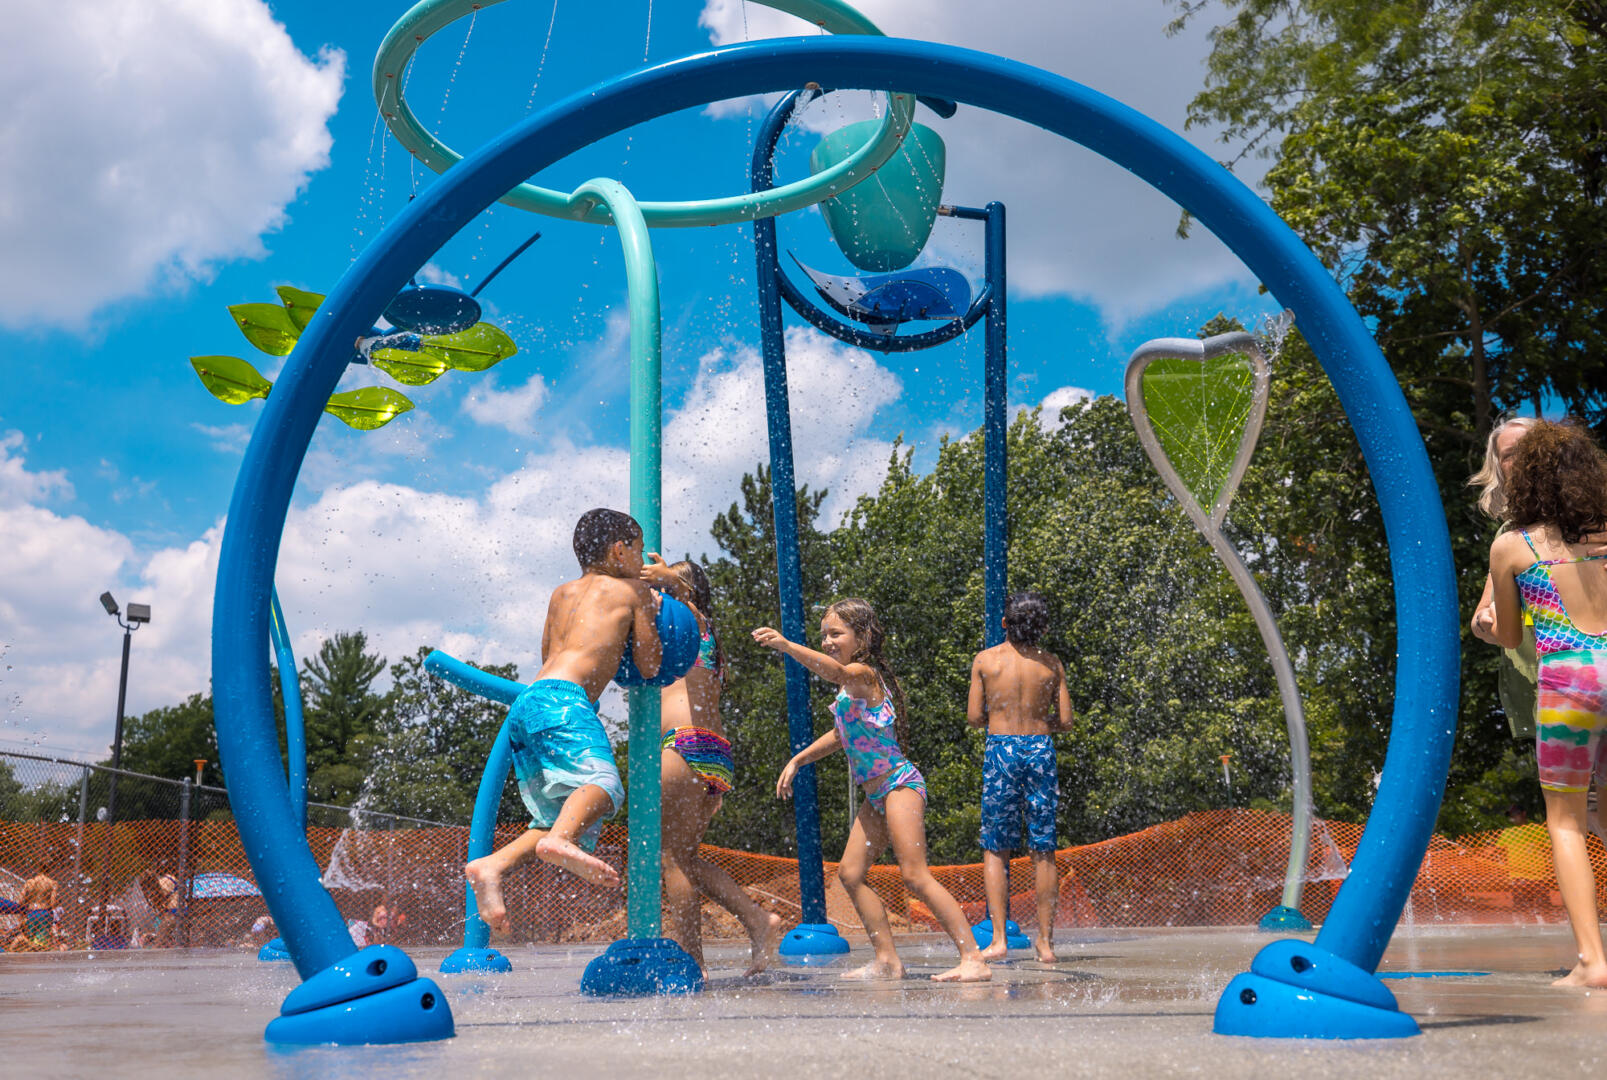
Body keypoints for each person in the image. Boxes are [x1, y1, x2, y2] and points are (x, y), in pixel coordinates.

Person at [757, 599, 991, 983]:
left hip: (900, 785)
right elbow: (840, 734)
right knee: (850, 874)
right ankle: (887, 960)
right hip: (876, 795)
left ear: (861, 636)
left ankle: (973, 958)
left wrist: (786, 645)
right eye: (824, 635)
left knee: (915, 876)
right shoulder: (851, 693)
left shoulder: (863, 675)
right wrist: (799, 759)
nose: (828, 641)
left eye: (836, 633)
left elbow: (834, 671)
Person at [465, 508, 663, 933]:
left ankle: (492, 866)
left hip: (530, 702)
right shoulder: (633, 592)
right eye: (640, 550)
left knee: (558, 819)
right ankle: (558, 842)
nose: (643, 560)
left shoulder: (561, 592)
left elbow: (546, 655)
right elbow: (649, 666)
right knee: (605, 786)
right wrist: (653, 614)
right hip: (567, 702)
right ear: (619, 549)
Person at [1486, 419, 1607, 987]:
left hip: (1569, 684)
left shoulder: (1514, 546)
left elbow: (1509, 636)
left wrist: (1487, 628)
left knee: (1565, 822)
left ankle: (1593, 961)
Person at [642, 555, 784, 976]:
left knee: (671, 860)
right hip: (713, 751)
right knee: (686, 858)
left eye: (669, 583)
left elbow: (684, 601)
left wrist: (671, 582)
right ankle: (758, 920)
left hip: (683, 743)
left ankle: (692, 965)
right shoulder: (703, 638)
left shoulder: (690, 620)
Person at [966, 591, 1073, 963]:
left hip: (1000, 751)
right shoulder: (1051, 664)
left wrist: (1002, 719)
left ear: (1004, 623)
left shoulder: (986, 661)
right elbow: (1067, 721)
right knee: (1043, 848)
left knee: (997, 847)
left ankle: (998, 938)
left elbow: (974, 716)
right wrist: (1038, 721)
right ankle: (1045, 942)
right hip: (1040, 748)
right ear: (1041, 627)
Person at [14, 862, 57, 950]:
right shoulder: (52, 883)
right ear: (49, 870)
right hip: (45, 913)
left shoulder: (30, 882)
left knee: (28, 940)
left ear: (38, 869)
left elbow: (21, 900)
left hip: (31, 913)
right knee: (41, 944)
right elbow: (53, 903)